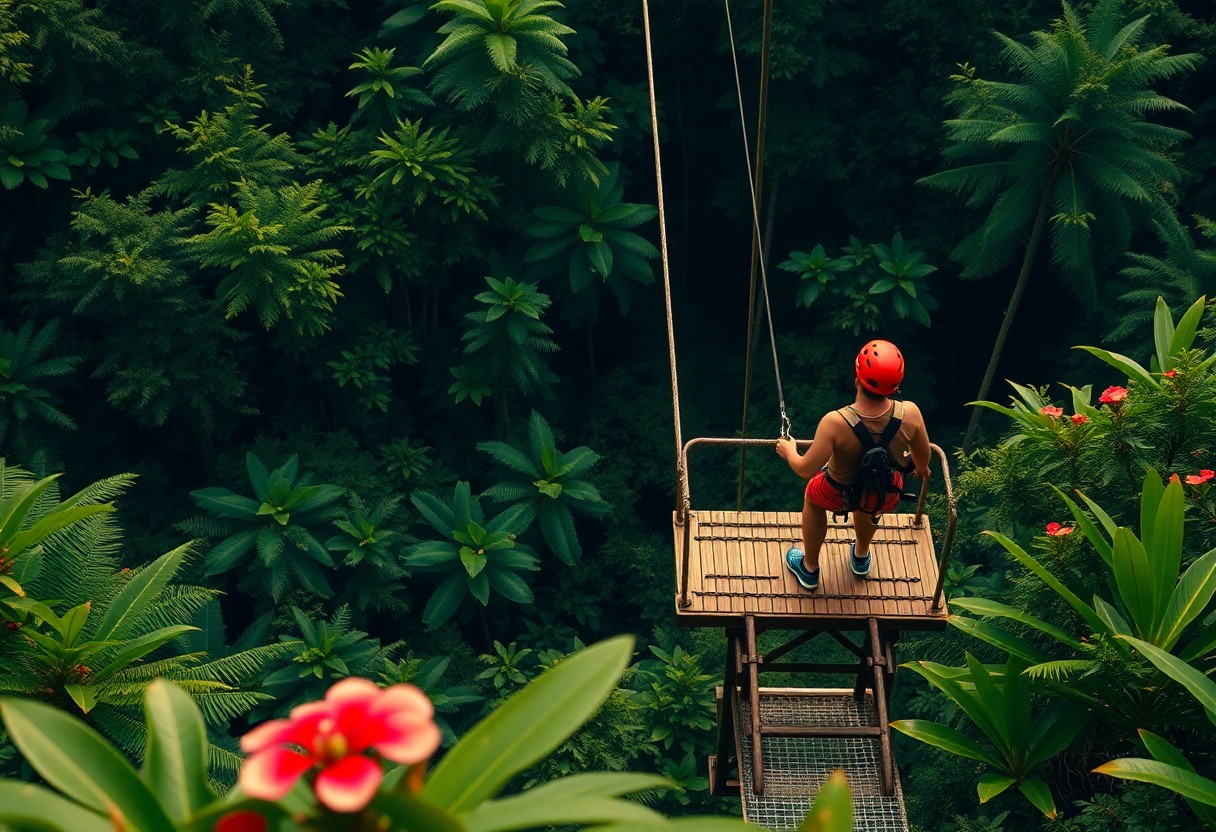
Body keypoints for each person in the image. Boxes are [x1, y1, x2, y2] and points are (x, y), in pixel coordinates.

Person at [774, 339, 931, 591]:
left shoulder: (835, 422)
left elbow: (804, 469)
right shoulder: (910, 413)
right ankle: (860, 555)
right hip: (885, 492)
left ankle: (809, 568)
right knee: (870, 500)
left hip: (838, 493)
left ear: (857, 378)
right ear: (896, 385)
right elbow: (922, 457)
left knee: (813, 498)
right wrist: (920, 469)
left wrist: (789, 450)